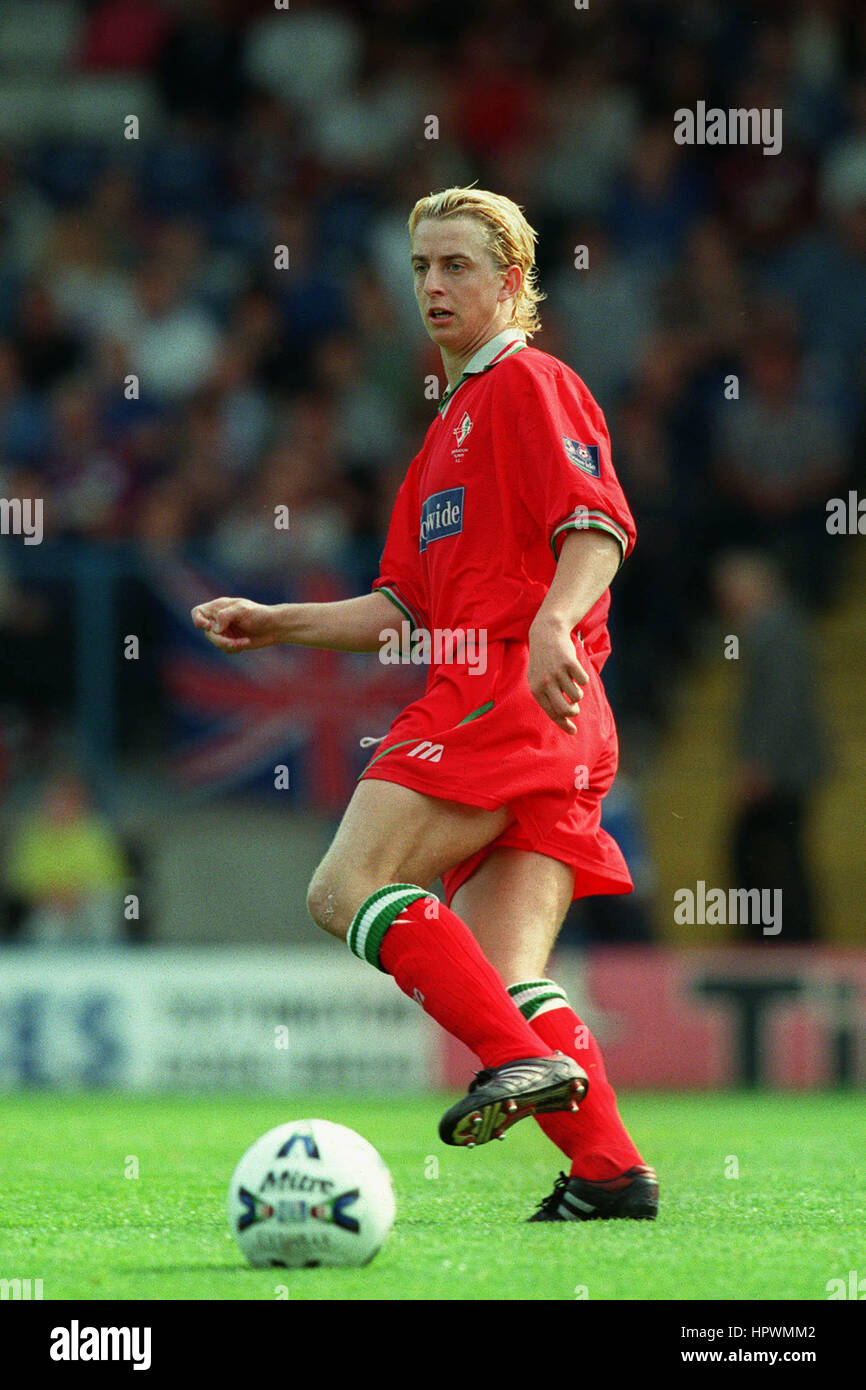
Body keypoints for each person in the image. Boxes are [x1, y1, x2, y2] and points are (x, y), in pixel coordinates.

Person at [191, 187, 657, 1221]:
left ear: (510, 281)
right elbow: (400, 605)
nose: (436, 285)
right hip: (547, 711)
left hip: (507, 686)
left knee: (340, 885)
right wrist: (279, 621)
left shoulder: (531, 383)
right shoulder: (440, 435)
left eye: (458, 265)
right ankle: (608, 1173)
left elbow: (598, 528)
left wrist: (548, 623)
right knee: (504, 970)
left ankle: (509, 1061)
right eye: (421, 267)